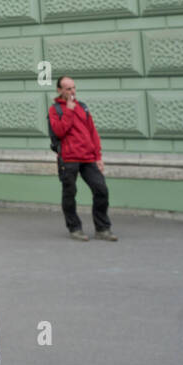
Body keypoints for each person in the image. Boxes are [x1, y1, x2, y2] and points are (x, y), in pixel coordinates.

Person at [48, 76, 117, 242]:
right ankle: (75, 228)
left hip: (88, 158)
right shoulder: (55, 109)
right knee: (70, 194)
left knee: (101, 190)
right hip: (69, 159)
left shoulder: (83, 107)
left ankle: (102, 229)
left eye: (73, 88)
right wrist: (69, 111)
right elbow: (59, 131)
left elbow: (92, 132)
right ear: (59, 90)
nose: (72, 91)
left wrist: (98, 157)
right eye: (68, 88)